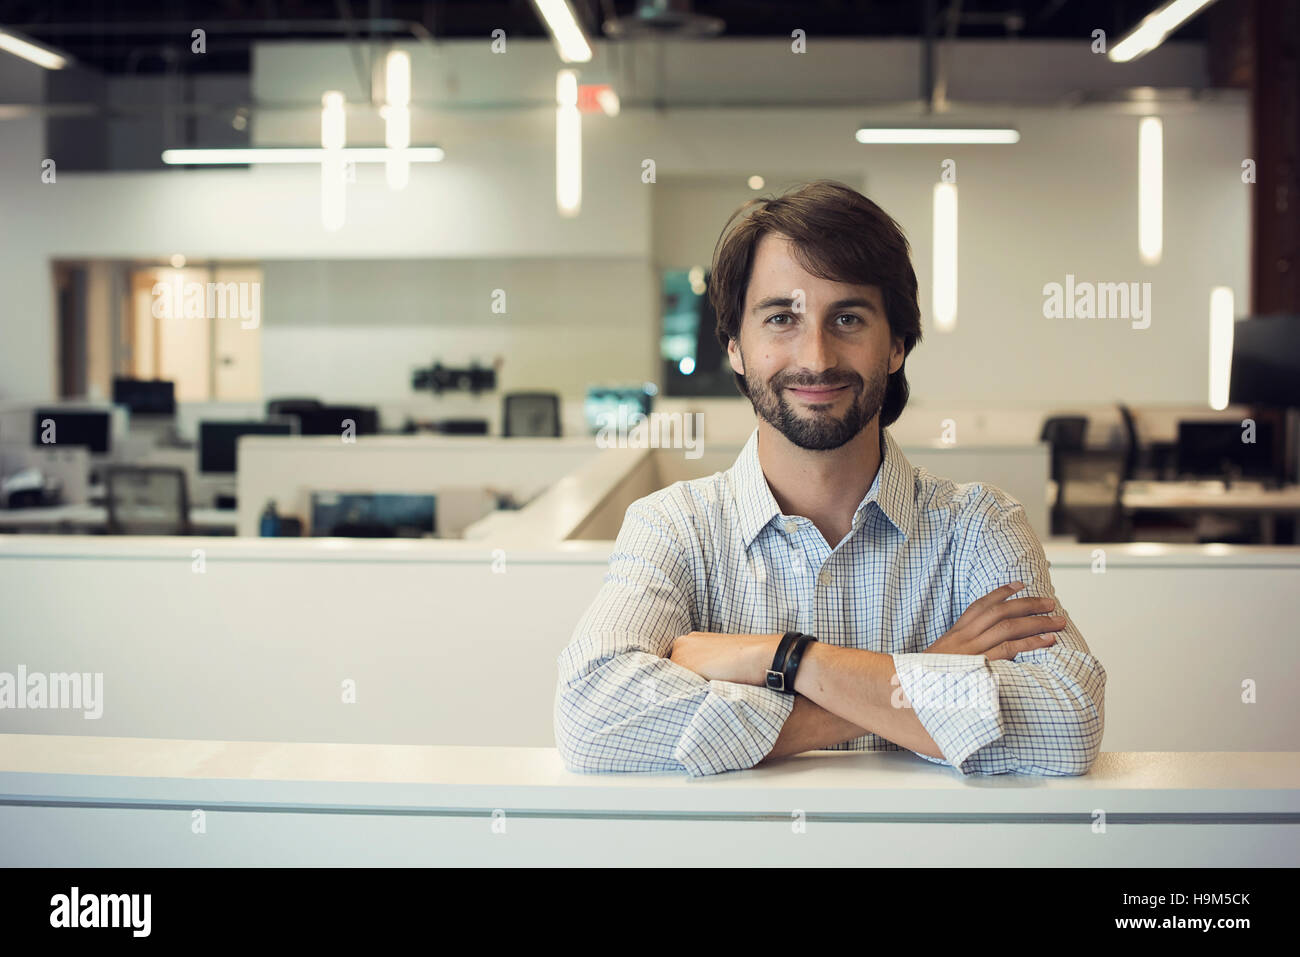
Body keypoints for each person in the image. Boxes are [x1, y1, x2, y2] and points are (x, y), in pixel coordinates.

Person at [554, 180, 1105, 777]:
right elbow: (593, 718)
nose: (815, 357)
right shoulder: (674, 528)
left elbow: (1069, 720)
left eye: (846, 317)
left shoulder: (979, 527)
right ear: (735, 347)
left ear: (896, 344)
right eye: (781, 318)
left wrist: (785, 659)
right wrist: (921, 673)